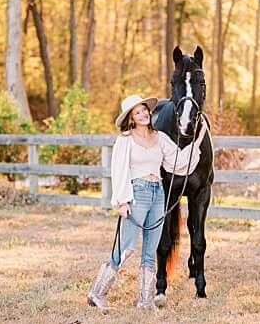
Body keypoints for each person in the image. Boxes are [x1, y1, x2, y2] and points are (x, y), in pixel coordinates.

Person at [86, 94, 208, 311]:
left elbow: (178, 162)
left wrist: (198, 140)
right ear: (131, 118)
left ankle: (145, 300)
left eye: (144, 110)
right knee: (126, 247)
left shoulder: (159, 137)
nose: (143, 114)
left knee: (150, 251)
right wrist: (122, 201)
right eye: (137, 112)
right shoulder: (125, 139)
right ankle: (97, 292)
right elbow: (119, 171)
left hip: (158, 193)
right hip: (137, 193)